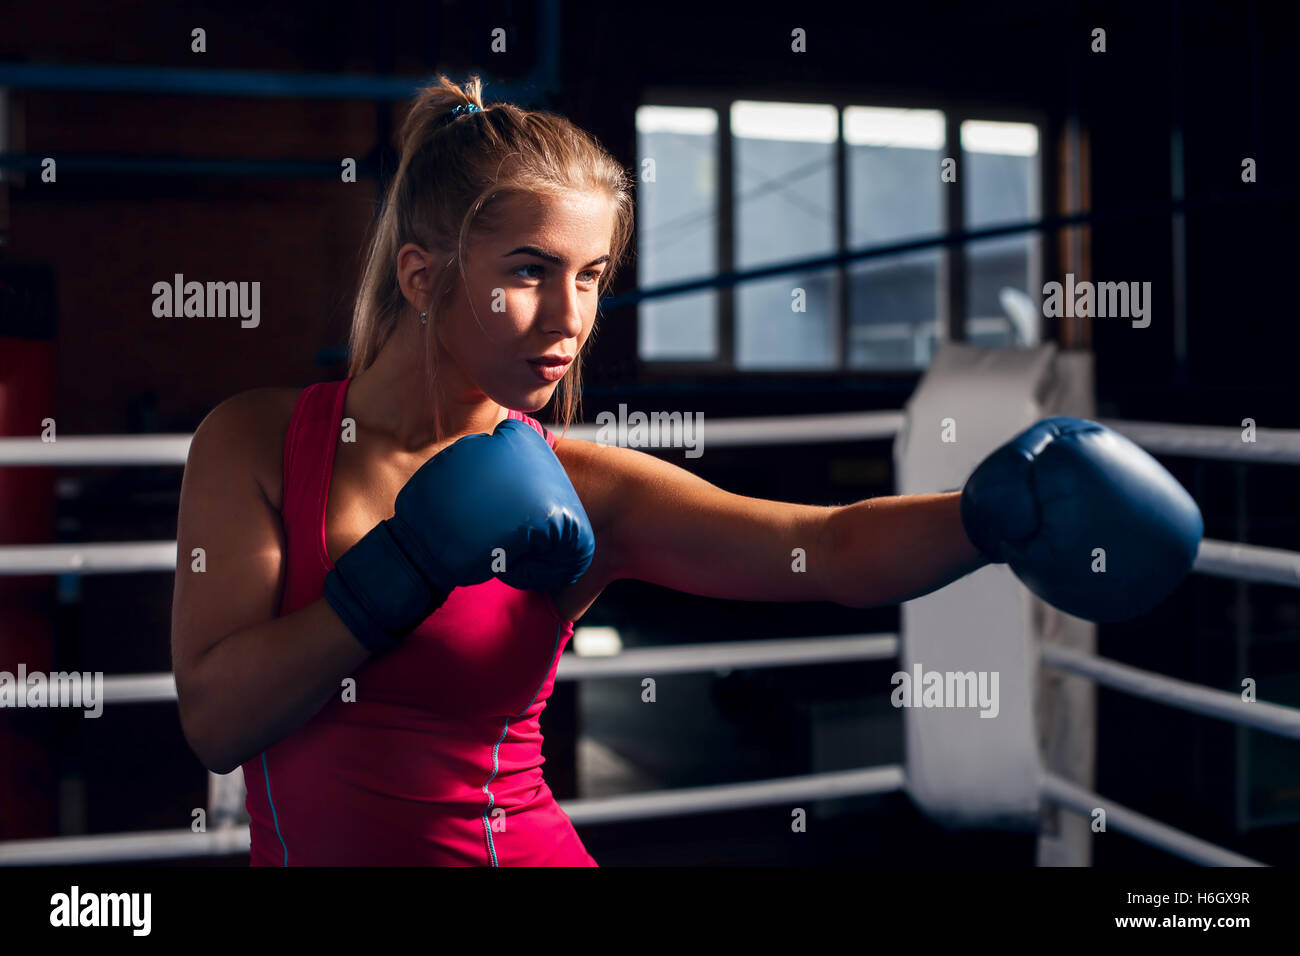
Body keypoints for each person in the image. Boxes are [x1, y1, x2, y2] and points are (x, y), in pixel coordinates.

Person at [169, 76, 1200, 866]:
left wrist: (987, 515)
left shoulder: (585, 489)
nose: (570, 321)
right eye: (528, 271)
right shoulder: (254, 442)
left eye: (591, 277)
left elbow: (822, 547)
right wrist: (405, 564)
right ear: (423, 273)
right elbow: (218, 721)